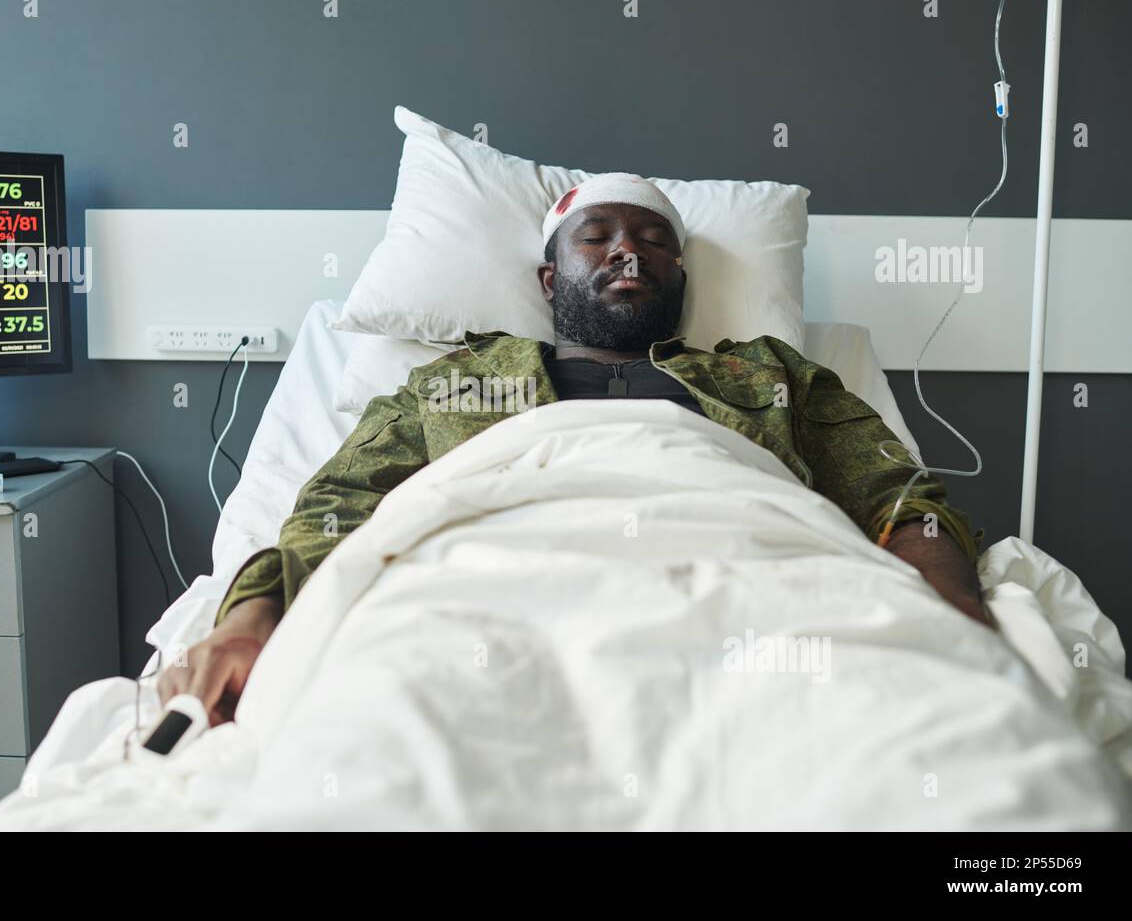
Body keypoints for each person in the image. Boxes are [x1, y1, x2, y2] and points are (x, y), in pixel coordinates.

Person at [159, 173, 988, 726]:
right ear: (550, 278)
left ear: (682, 281)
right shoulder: (459, 380)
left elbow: (898, 494)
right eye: (598, 236)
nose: (630, 250)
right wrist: (252, 617)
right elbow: (338, 503)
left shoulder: (774, 376)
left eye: (654, 240)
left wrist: (951, 616)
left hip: (741, 566)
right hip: (483, 584)